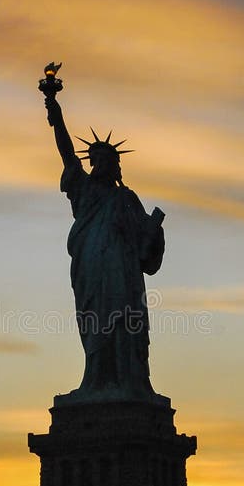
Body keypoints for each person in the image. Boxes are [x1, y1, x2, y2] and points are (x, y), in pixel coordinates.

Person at [43, 91, 165, 401]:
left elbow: (145, 252)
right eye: (94, 160)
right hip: (90, 268)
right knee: (94, 322)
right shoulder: (82, 190)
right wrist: (55, 111)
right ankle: (95, 380)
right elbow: (66, 152)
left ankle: (126, 381)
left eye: (105, 161)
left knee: (123, 321)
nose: (98, 165)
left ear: (114, 165)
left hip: (122, 273)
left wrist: (154, 231)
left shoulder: (126, 199)